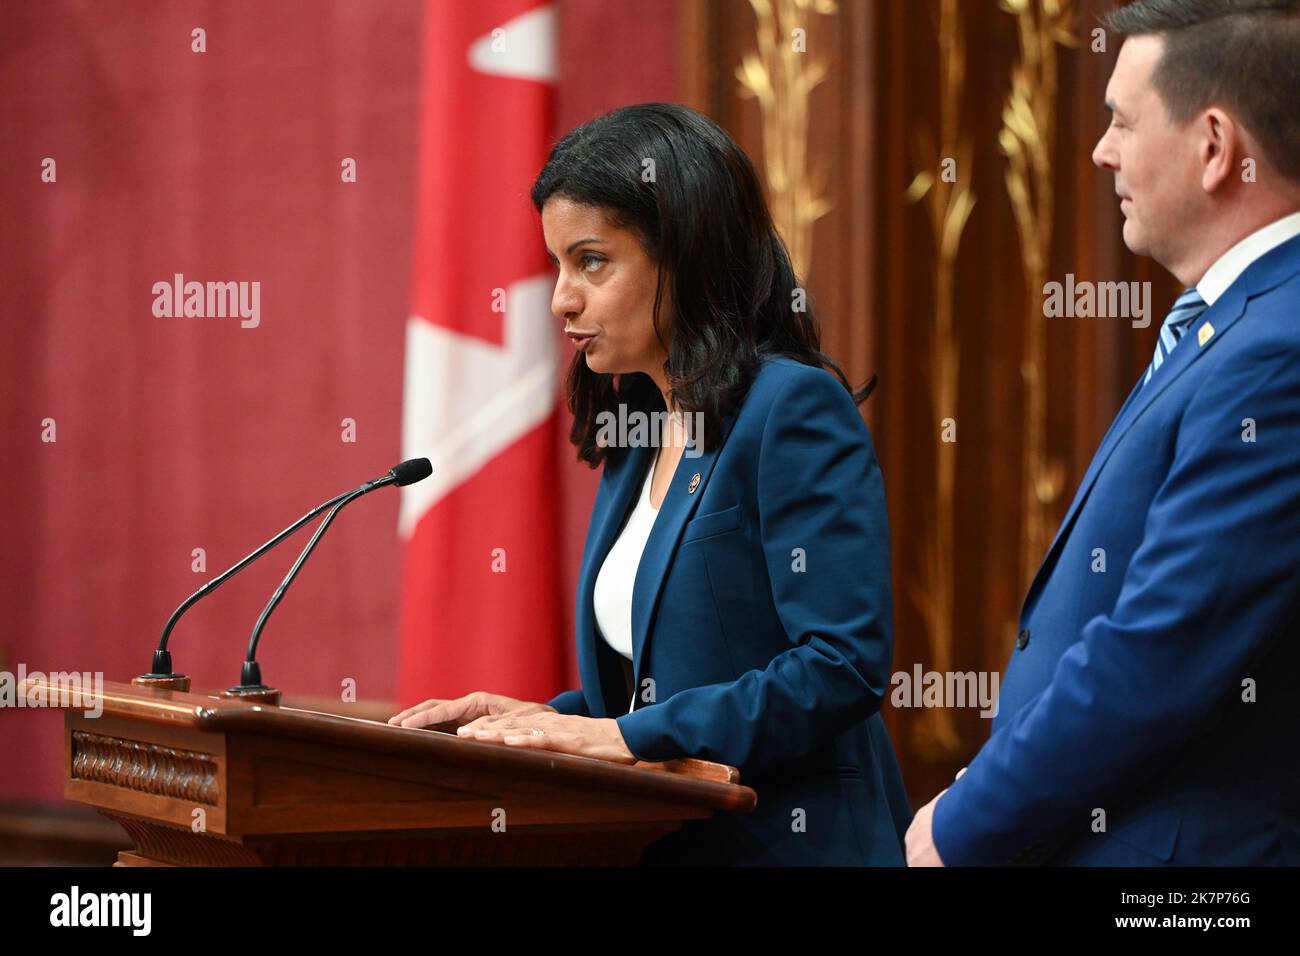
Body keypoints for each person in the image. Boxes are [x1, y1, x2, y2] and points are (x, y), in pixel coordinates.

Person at [390, 102, 911, 865]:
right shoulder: (641, 432)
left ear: (686, 255)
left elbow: (840, 667)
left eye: (592, 261)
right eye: (558, 266)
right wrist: (540, 721)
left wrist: (615, 735)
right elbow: (656, 696)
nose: (563, 298)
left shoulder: (789, 409)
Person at [907, 0, 1300, 866]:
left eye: (1121, 119)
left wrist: (960, 823)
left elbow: (1162, 650)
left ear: (1213, 145)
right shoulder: (1238, 324)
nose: (1101, 150)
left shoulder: (1276, 351)